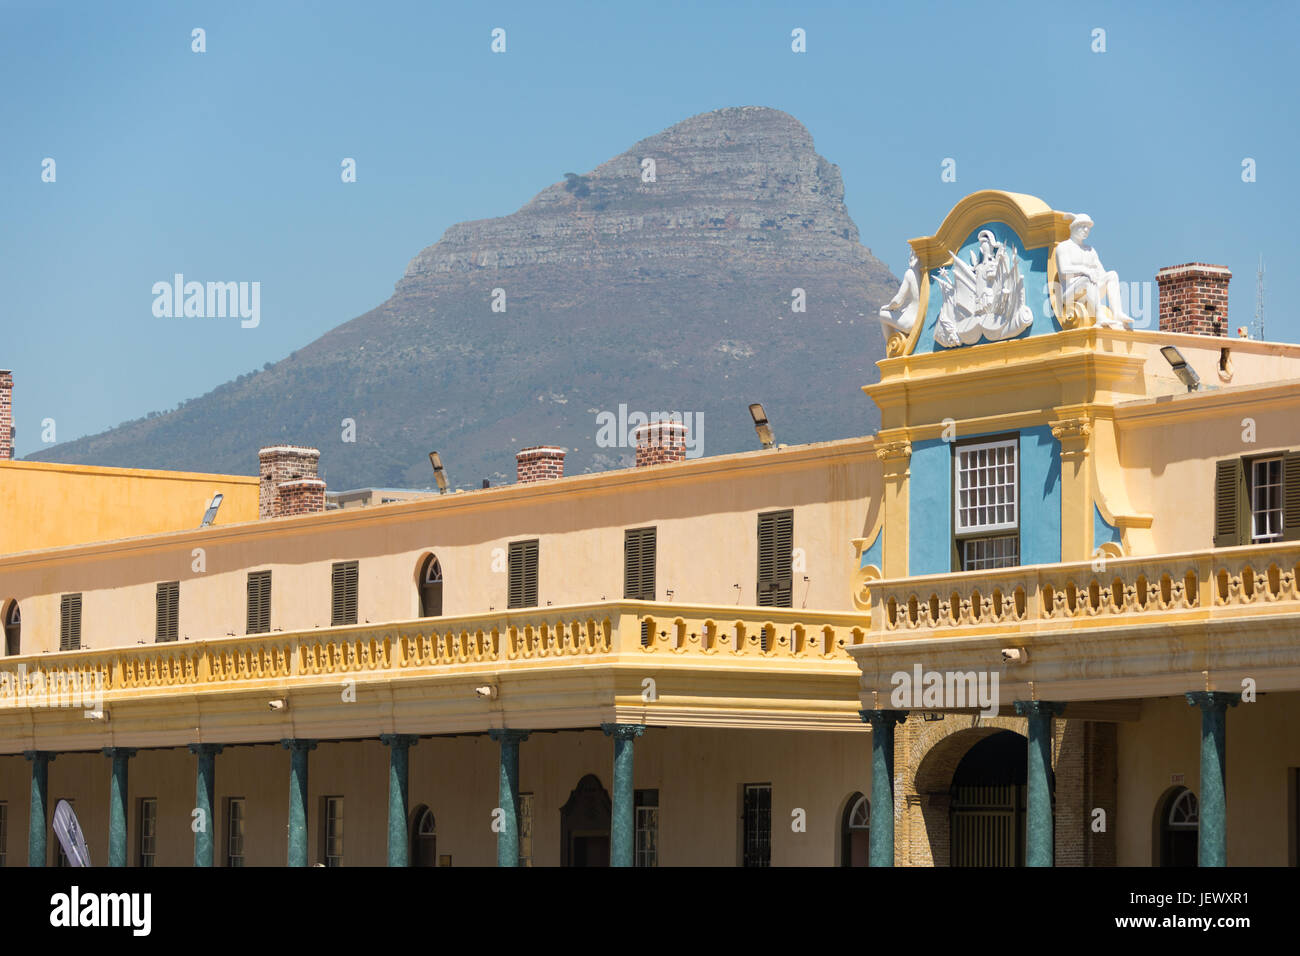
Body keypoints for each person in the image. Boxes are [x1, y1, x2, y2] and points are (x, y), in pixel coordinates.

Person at [1055, 214, 1133, 329]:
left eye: (1088, 228)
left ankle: (1117, 313)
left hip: (1091, 288)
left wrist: (1098, 276)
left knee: (1112, 275)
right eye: (1083, 226)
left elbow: (1101, 272)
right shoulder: (1064, 247)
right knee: (1087, 279)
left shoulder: (1090, 250)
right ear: (1074, 227)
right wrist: (1085, 270)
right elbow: (1063, 271)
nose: (1086, 230)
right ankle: (1099, 316)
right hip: (1071, 292)